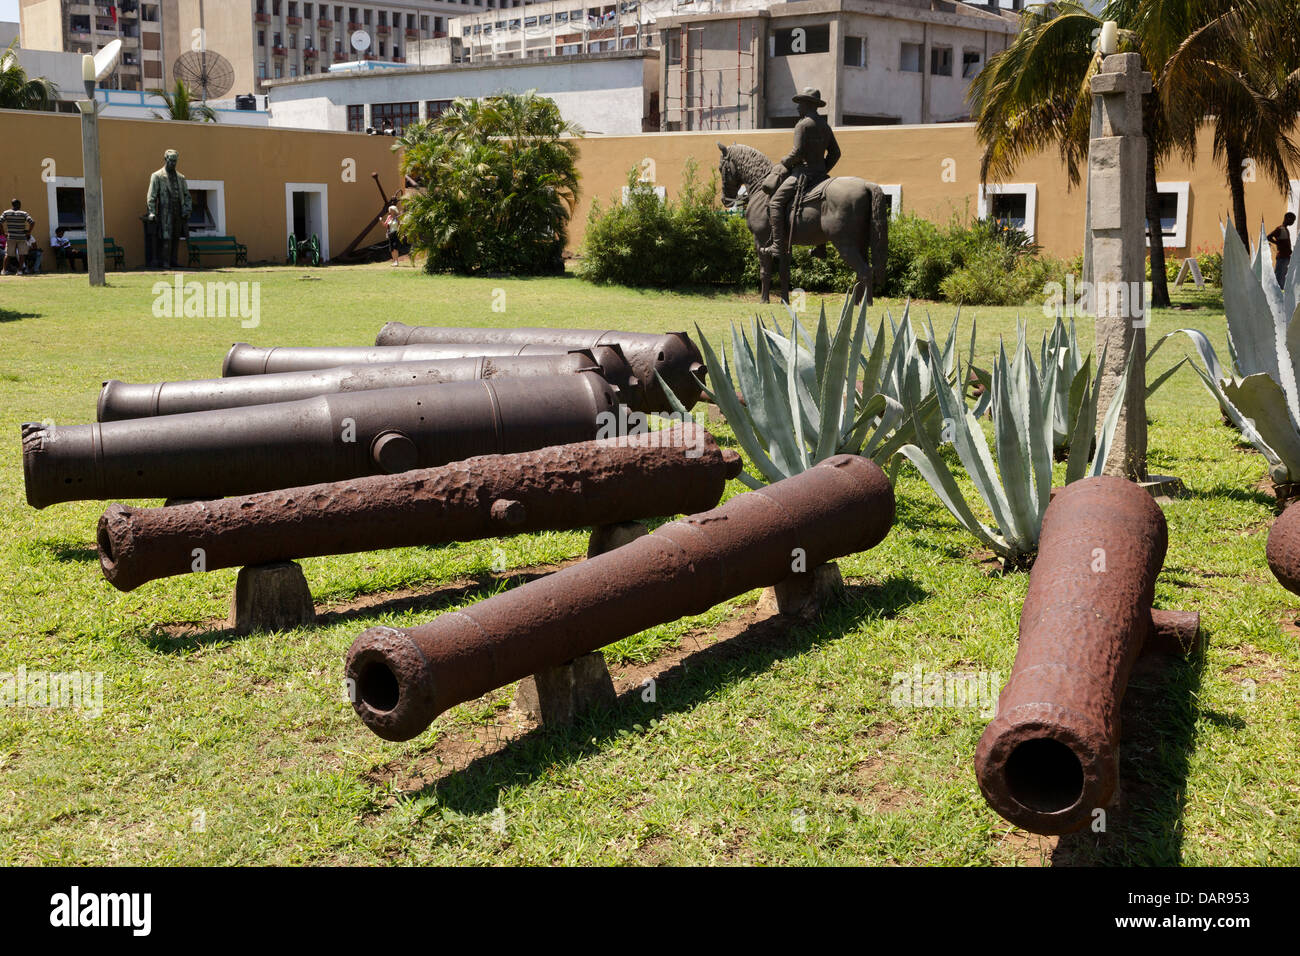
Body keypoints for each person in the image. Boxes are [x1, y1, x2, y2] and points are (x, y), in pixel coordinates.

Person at [759, 88, 841, 258]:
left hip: (801, 175)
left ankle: (777, 246)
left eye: (800, 104)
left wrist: (784, 162)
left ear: (808, 104)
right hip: (820, 176)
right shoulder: (825, 126)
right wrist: (823, 169)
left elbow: (797, 153)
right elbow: (836, 153)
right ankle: (821, 247)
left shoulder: (803, 125)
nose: (798, 108)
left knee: (774, 203)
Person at [146, 149, 192, 269]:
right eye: (171, 161)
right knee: (166, 236)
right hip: (165, 210)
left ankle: (173, 260)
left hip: (178, 210)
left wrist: (187, 209)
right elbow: (151, 196)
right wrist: (152, 212)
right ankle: (165, 262)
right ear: (165, 159)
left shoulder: (181, 178)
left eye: (175, 161)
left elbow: (187, 196)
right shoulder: (157, 176)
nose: (173, 163)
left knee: (176, 236)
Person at [1, 199, 36, 276]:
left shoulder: (6, 212)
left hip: (11, 236)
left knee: (8, 254)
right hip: (21, 237)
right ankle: (19, 271)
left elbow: (0, 222)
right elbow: (32, 222)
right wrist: (29, 232)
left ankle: (4, 270)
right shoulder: (24, 213)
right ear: (19, 205)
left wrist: (3, 233)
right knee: (21, 254)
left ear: (12, 204)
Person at [1267, 211, 1295, 287]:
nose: (1293, 222)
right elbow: (1269, 237)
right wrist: (1277, 243)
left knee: (1283, 278)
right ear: (1286, 218)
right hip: (1282, 257)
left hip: (1286, 257)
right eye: (1292, 219)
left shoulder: (1286, 230)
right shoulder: (1280, 229)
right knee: (1279, 277)